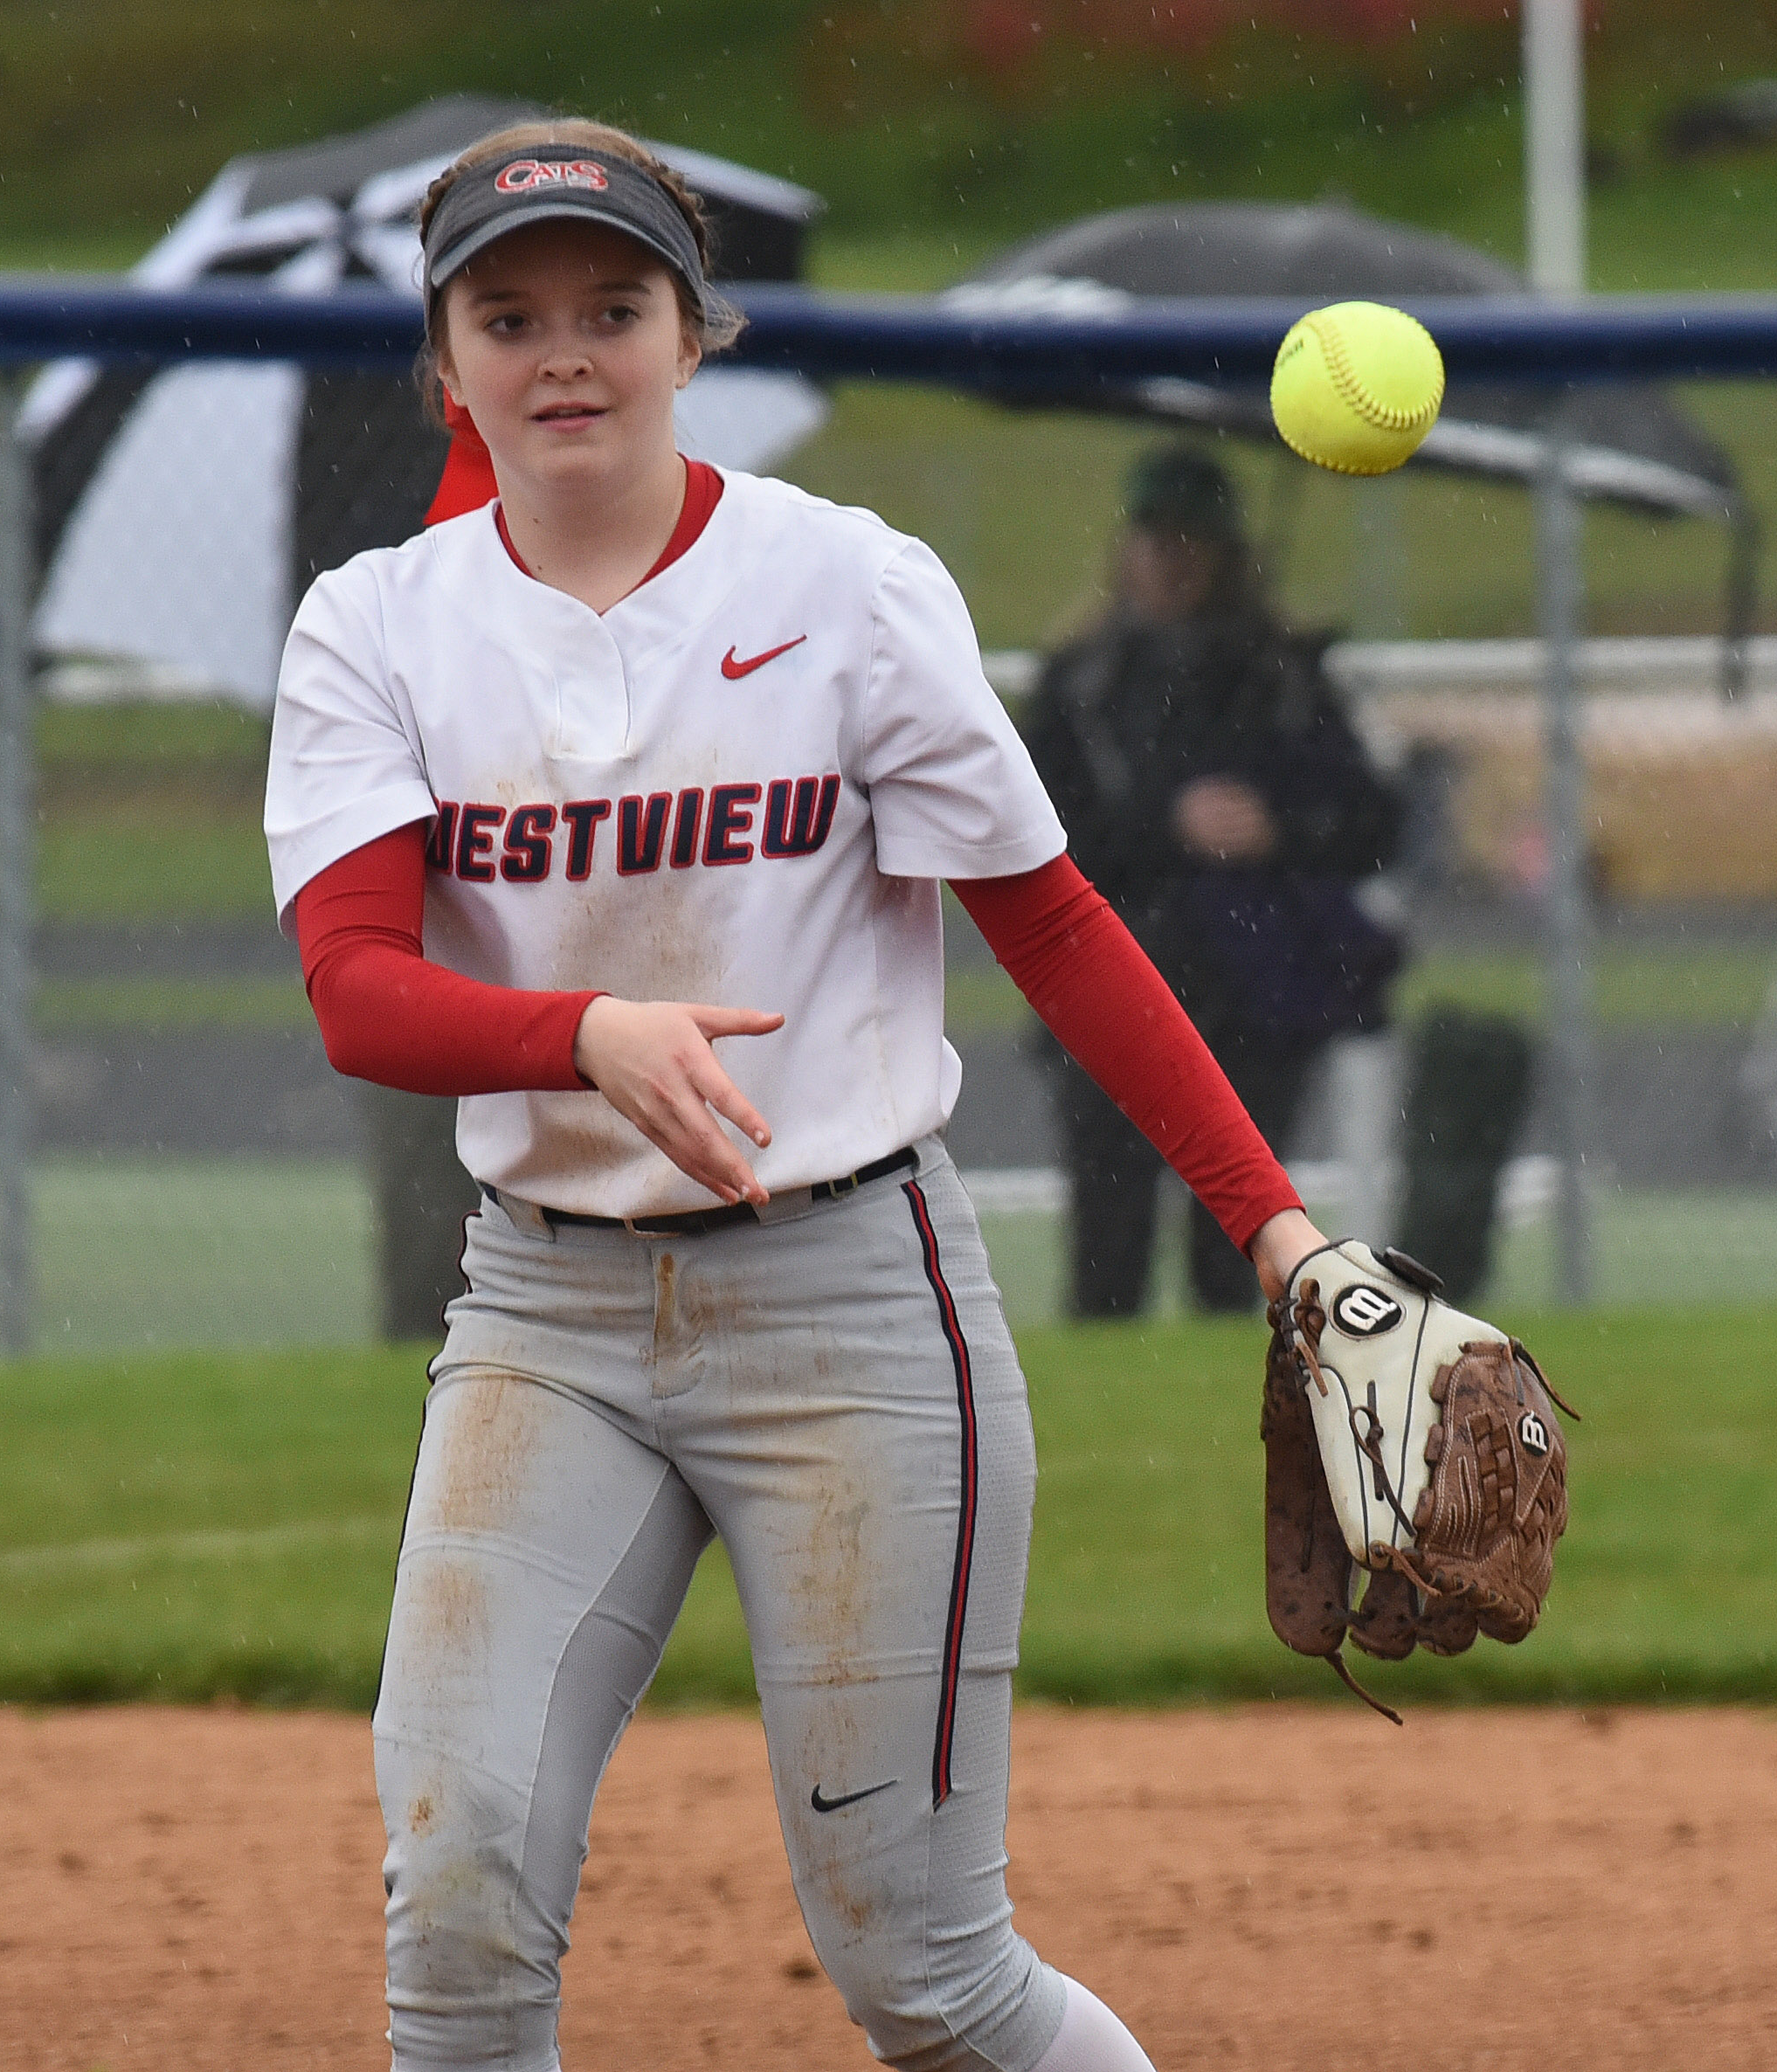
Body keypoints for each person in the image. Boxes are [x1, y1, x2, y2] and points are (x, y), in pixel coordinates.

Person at [264, 120, 1332, 2072]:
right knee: (460, 1908)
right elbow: (357, 989)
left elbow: (1059, 926)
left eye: (614, 305)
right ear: (447, 364)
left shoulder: (843, 584)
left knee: (927, 1975)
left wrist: (1274, 1220)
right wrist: (583, 1033)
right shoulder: (379, 627)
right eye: (509, 315)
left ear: (697, 336)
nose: (563, 351)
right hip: (549, 1318)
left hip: (854, 1316)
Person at [1020, 445, 1400, 1316]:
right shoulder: (1080, 684)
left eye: (1192, 537)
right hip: (1113, 982)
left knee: (1240, 1244)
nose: (1172, 556)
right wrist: (1171, 829)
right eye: (1156, 535)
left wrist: (1278, 828)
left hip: (1255, 989)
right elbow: (1036, 839)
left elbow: (1369, 821)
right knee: (1106, 1242)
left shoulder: (1285, 678)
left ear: (1229, 550)